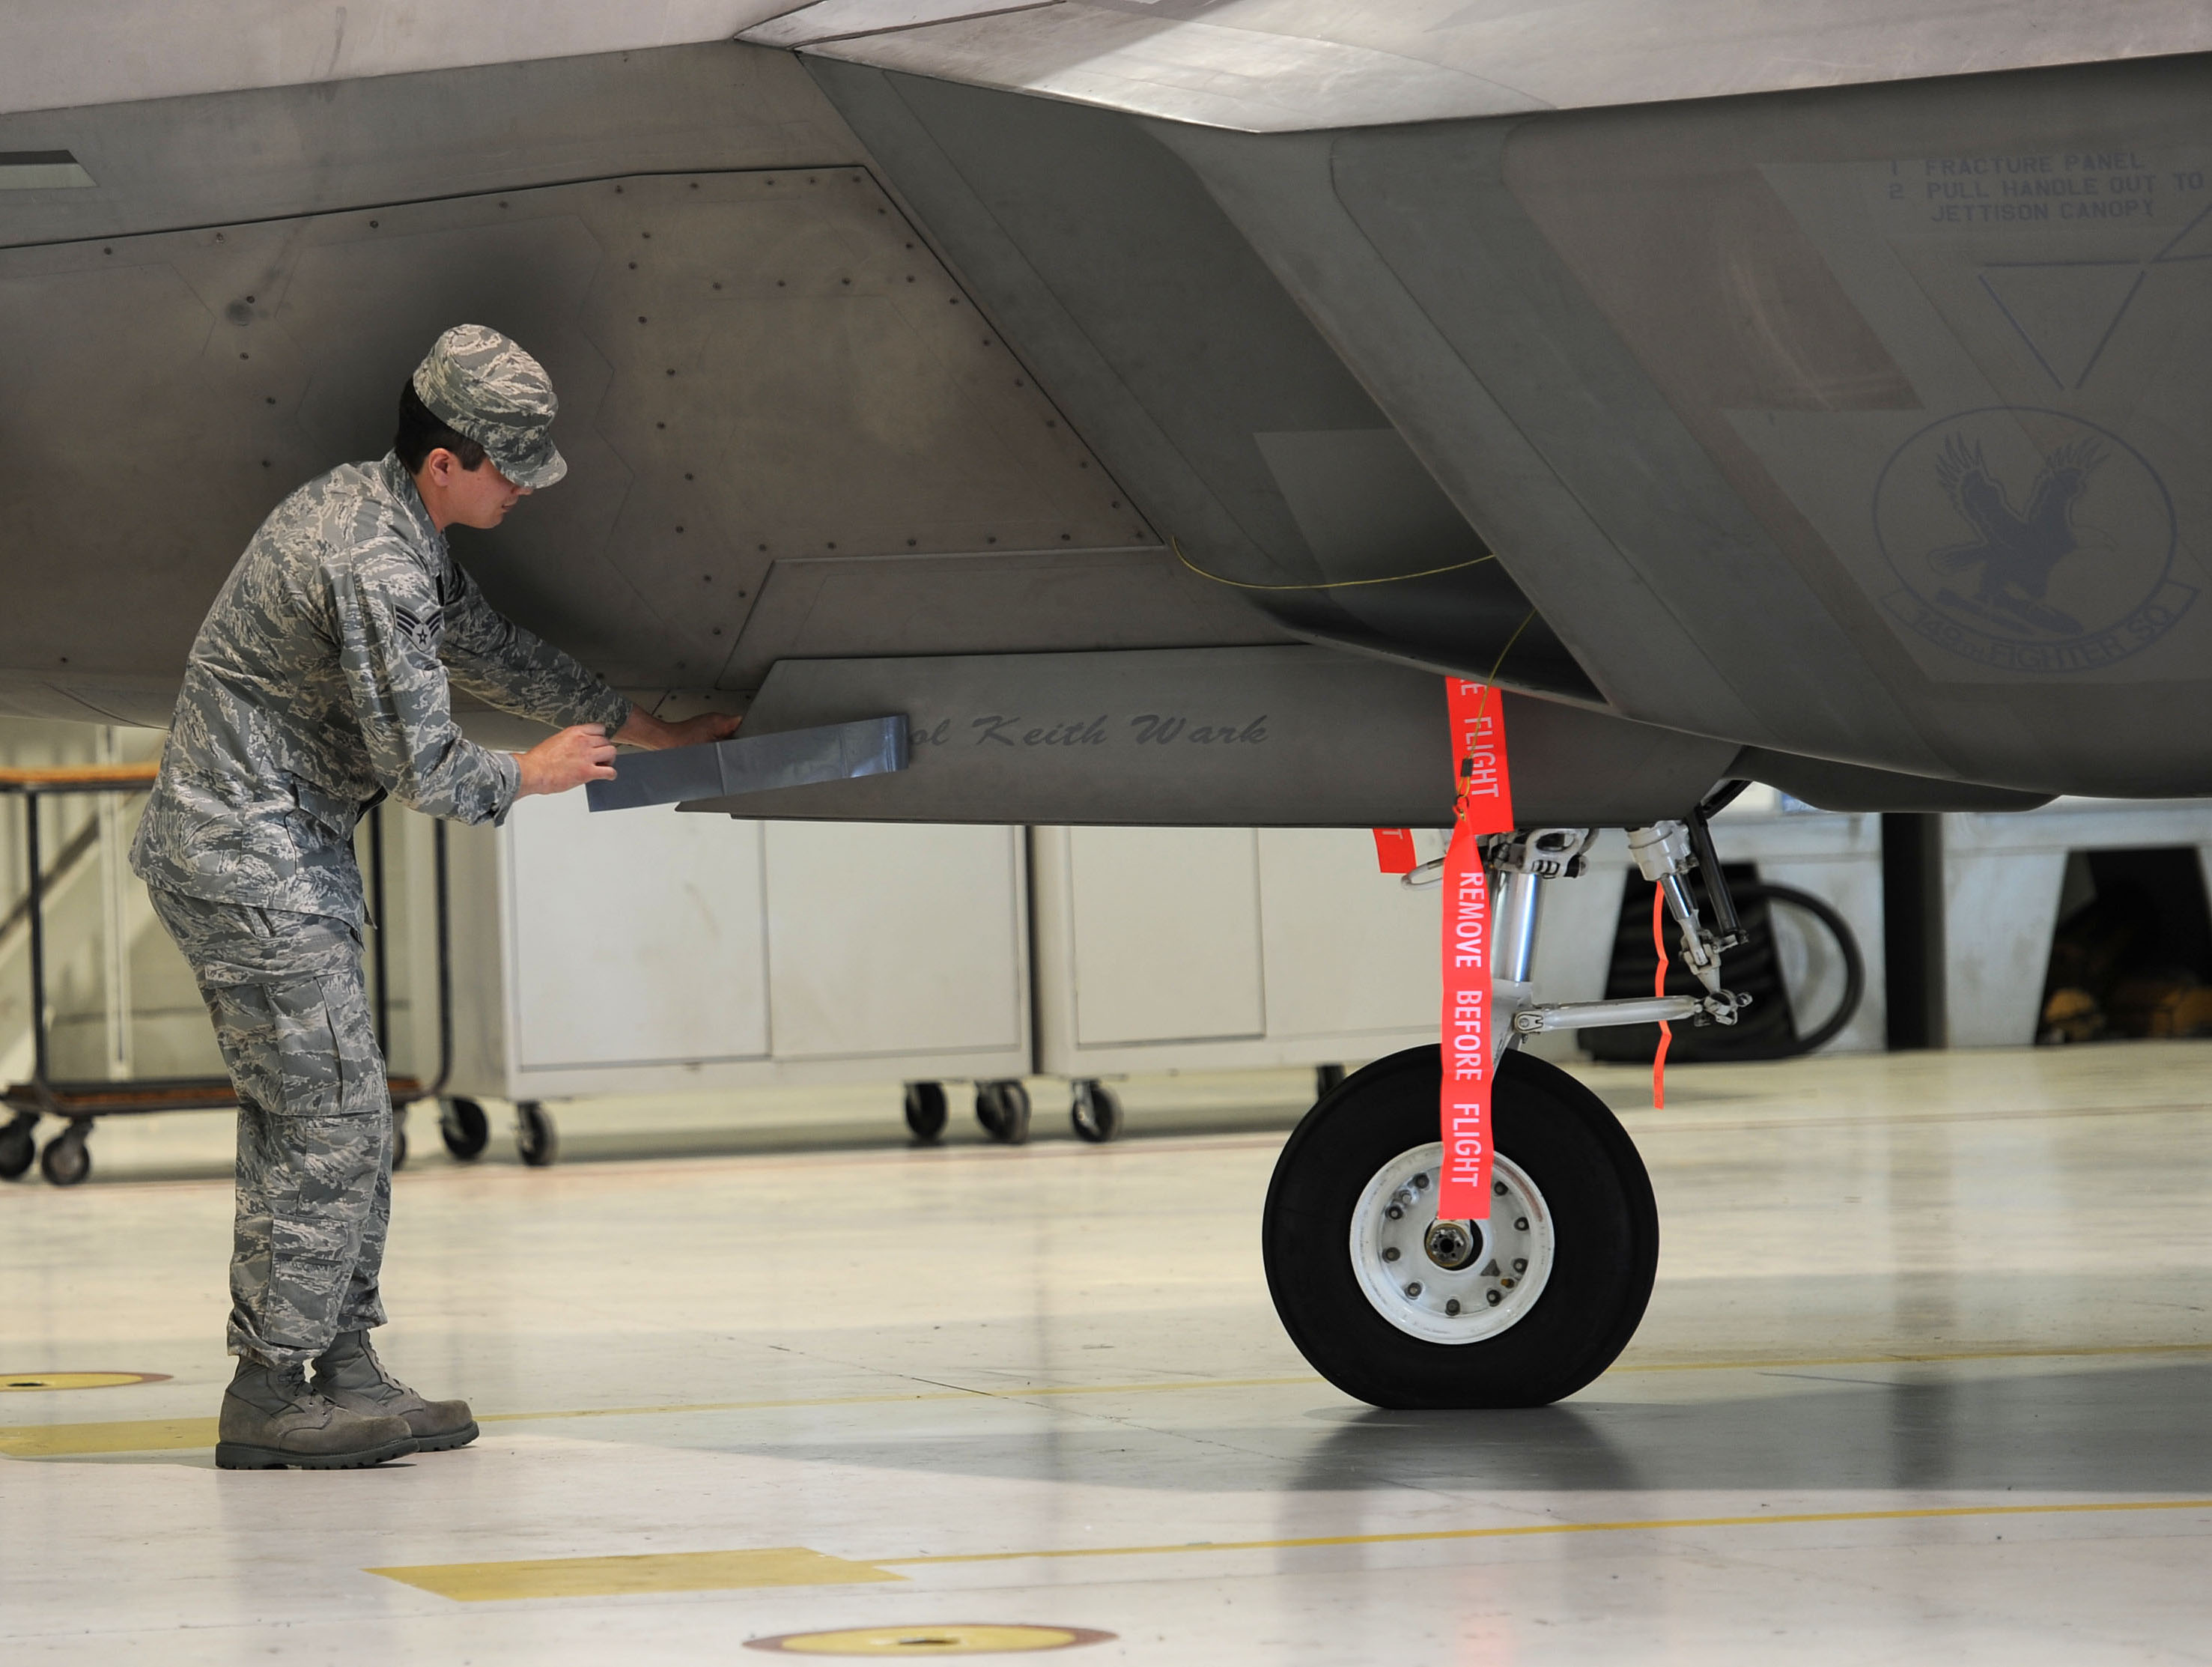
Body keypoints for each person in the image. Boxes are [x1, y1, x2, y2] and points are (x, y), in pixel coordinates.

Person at [131, 324, 739, 1471]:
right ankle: (271, 1390)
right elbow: (424, 766)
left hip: (281, 849)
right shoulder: (372, 559)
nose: (525, 490)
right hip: (244, 854)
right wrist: (531, 772)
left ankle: (342, 1363)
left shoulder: (389, 516)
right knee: (329, 1116)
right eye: (511, 469)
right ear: (446, 461)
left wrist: (643, 727)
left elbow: (488, 647)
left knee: (338, 1109)